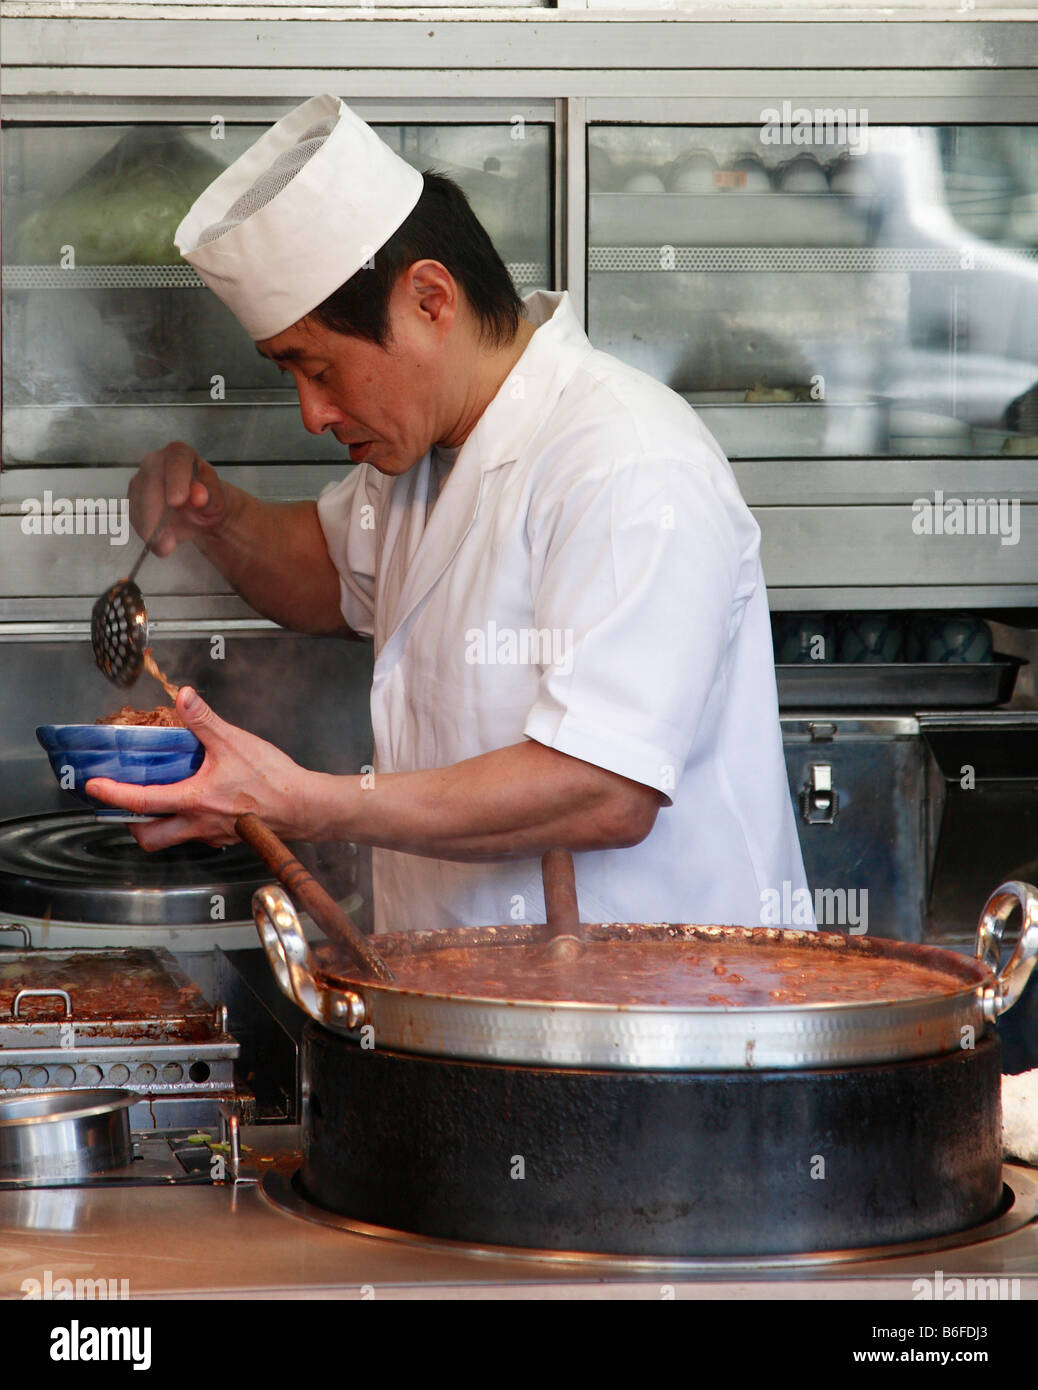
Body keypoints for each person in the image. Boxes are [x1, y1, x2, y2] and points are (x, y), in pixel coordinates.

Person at [87, 95, 811, 934]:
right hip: (474, 1009)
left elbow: (607, 790)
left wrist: (306, 802)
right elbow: (328, 576)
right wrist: (214, 517)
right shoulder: (420, 453)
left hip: (659, 1019)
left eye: (319, 369)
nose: (311, 415)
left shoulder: (624, 458)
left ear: (430, 300)